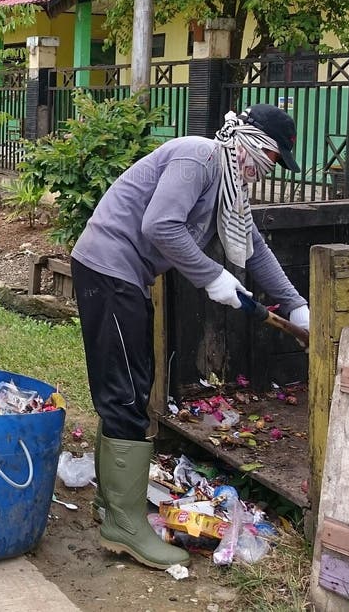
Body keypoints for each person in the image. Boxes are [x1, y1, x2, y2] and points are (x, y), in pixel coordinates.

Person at [70, 103, 310, 570]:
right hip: (108, 268)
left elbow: (256, 250)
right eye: (268, 160)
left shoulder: (228, 192)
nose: (262, 173)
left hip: (126, 278)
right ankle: (123, 524)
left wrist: (297, 305)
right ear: (248, 143)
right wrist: (213, 277)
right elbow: (159, 225)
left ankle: (112, 507)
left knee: (133, 387)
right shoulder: (198, 158)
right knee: (126, 393)